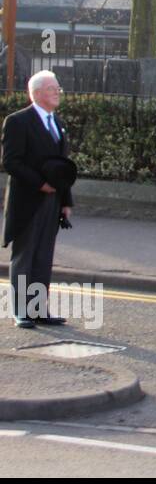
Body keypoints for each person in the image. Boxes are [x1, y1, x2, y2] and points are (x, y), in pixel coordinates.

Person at [2, 70, 75, 328]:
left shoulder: (58, 123)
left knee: (43, 256)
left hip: (52, 202)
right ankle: (22, 310)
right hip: (27, 201)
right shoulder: (17, 121)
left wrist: (66, 201)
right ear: (36, 93)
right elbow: (11, 161)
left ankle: (38, 308)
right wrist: (40, 183)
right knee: (25, 256)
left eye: (57, 88)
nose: (57, 92)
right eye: (51, 88)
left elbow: (62, 167)